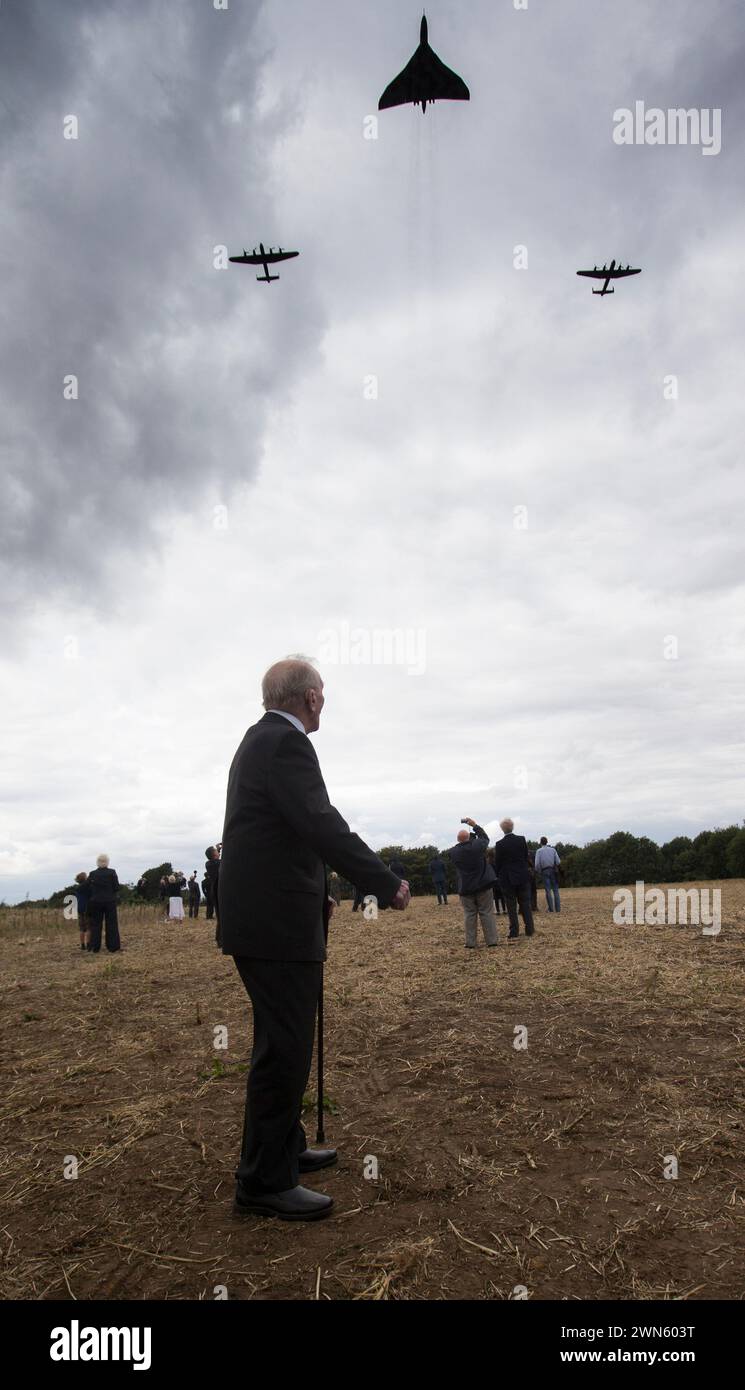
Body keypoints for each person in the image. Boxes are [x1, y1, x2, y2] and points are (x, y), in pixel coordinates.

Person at [219, 655, 410, 1222]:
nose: (324, 701)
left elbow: (284, 834)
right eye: (321, 693)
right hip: (274, 924)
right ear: (309, 698)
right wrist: (384, 881)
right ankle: (262, 1181)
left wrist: (313, 886)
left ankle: (286, 1147)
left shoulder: (261, 740)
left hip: (271, 914)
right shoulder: (285, 743)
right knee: (285, 1047)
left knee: (281, 1040)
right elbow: (321, 822)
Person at [444, 817, 498, 948]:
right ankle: (491, 941)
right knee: (486, 913)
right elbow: (485, 838)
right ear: (469, 838)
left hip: (466, 888)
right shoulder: (477, 846)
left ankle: (470, 943)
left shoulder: (453, 852)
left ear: (458, 840)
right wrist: (474, 825)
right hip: (483, 885)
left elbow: (456, 850)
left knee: (469, 915)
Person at [493, 818, 534, 939]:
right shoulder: (521, 839)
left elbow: (498, 862)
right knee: (525, 903)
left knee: (511, 906)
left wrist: (499, 875)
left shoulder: (499, 844)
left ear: (502, 829)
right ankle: (530, 929)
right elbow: (526, 856)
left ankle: (514, 931)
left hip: (507, 878)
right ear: (513, 827)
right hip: (522, 876)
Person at [86, 854, 121, 953]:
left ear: (97, 862)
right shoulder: (112, 872)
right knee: (111, 924)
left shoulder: (93, 874)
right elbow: (116, 887)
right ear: (107, 862)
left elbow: (88, 887)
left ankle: (95, 947)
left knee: (96, 925)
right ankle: (113, 946)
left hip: (96, 901)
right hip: (110, 901)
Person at [534, 837, 561, 913]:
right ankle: (558, 909)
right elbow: (558, 861)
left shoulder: (539, 851)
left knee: (548, 890)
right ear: (547, 842)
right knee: (555, 890)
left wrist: (539, 871)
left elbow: (537, 864)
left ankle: (551, 909)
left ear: (540, 842)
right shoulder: (553, 850)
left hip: (544, 871)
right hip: (553, 870)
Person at [73, 871, 91, 949]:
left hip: (79, 909)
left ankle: (82, 945)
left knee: (81, 928)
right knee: (89, 928)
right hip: (87, 909)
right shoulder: (88, 888)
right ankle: (88, 944)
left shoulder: (77, 889)